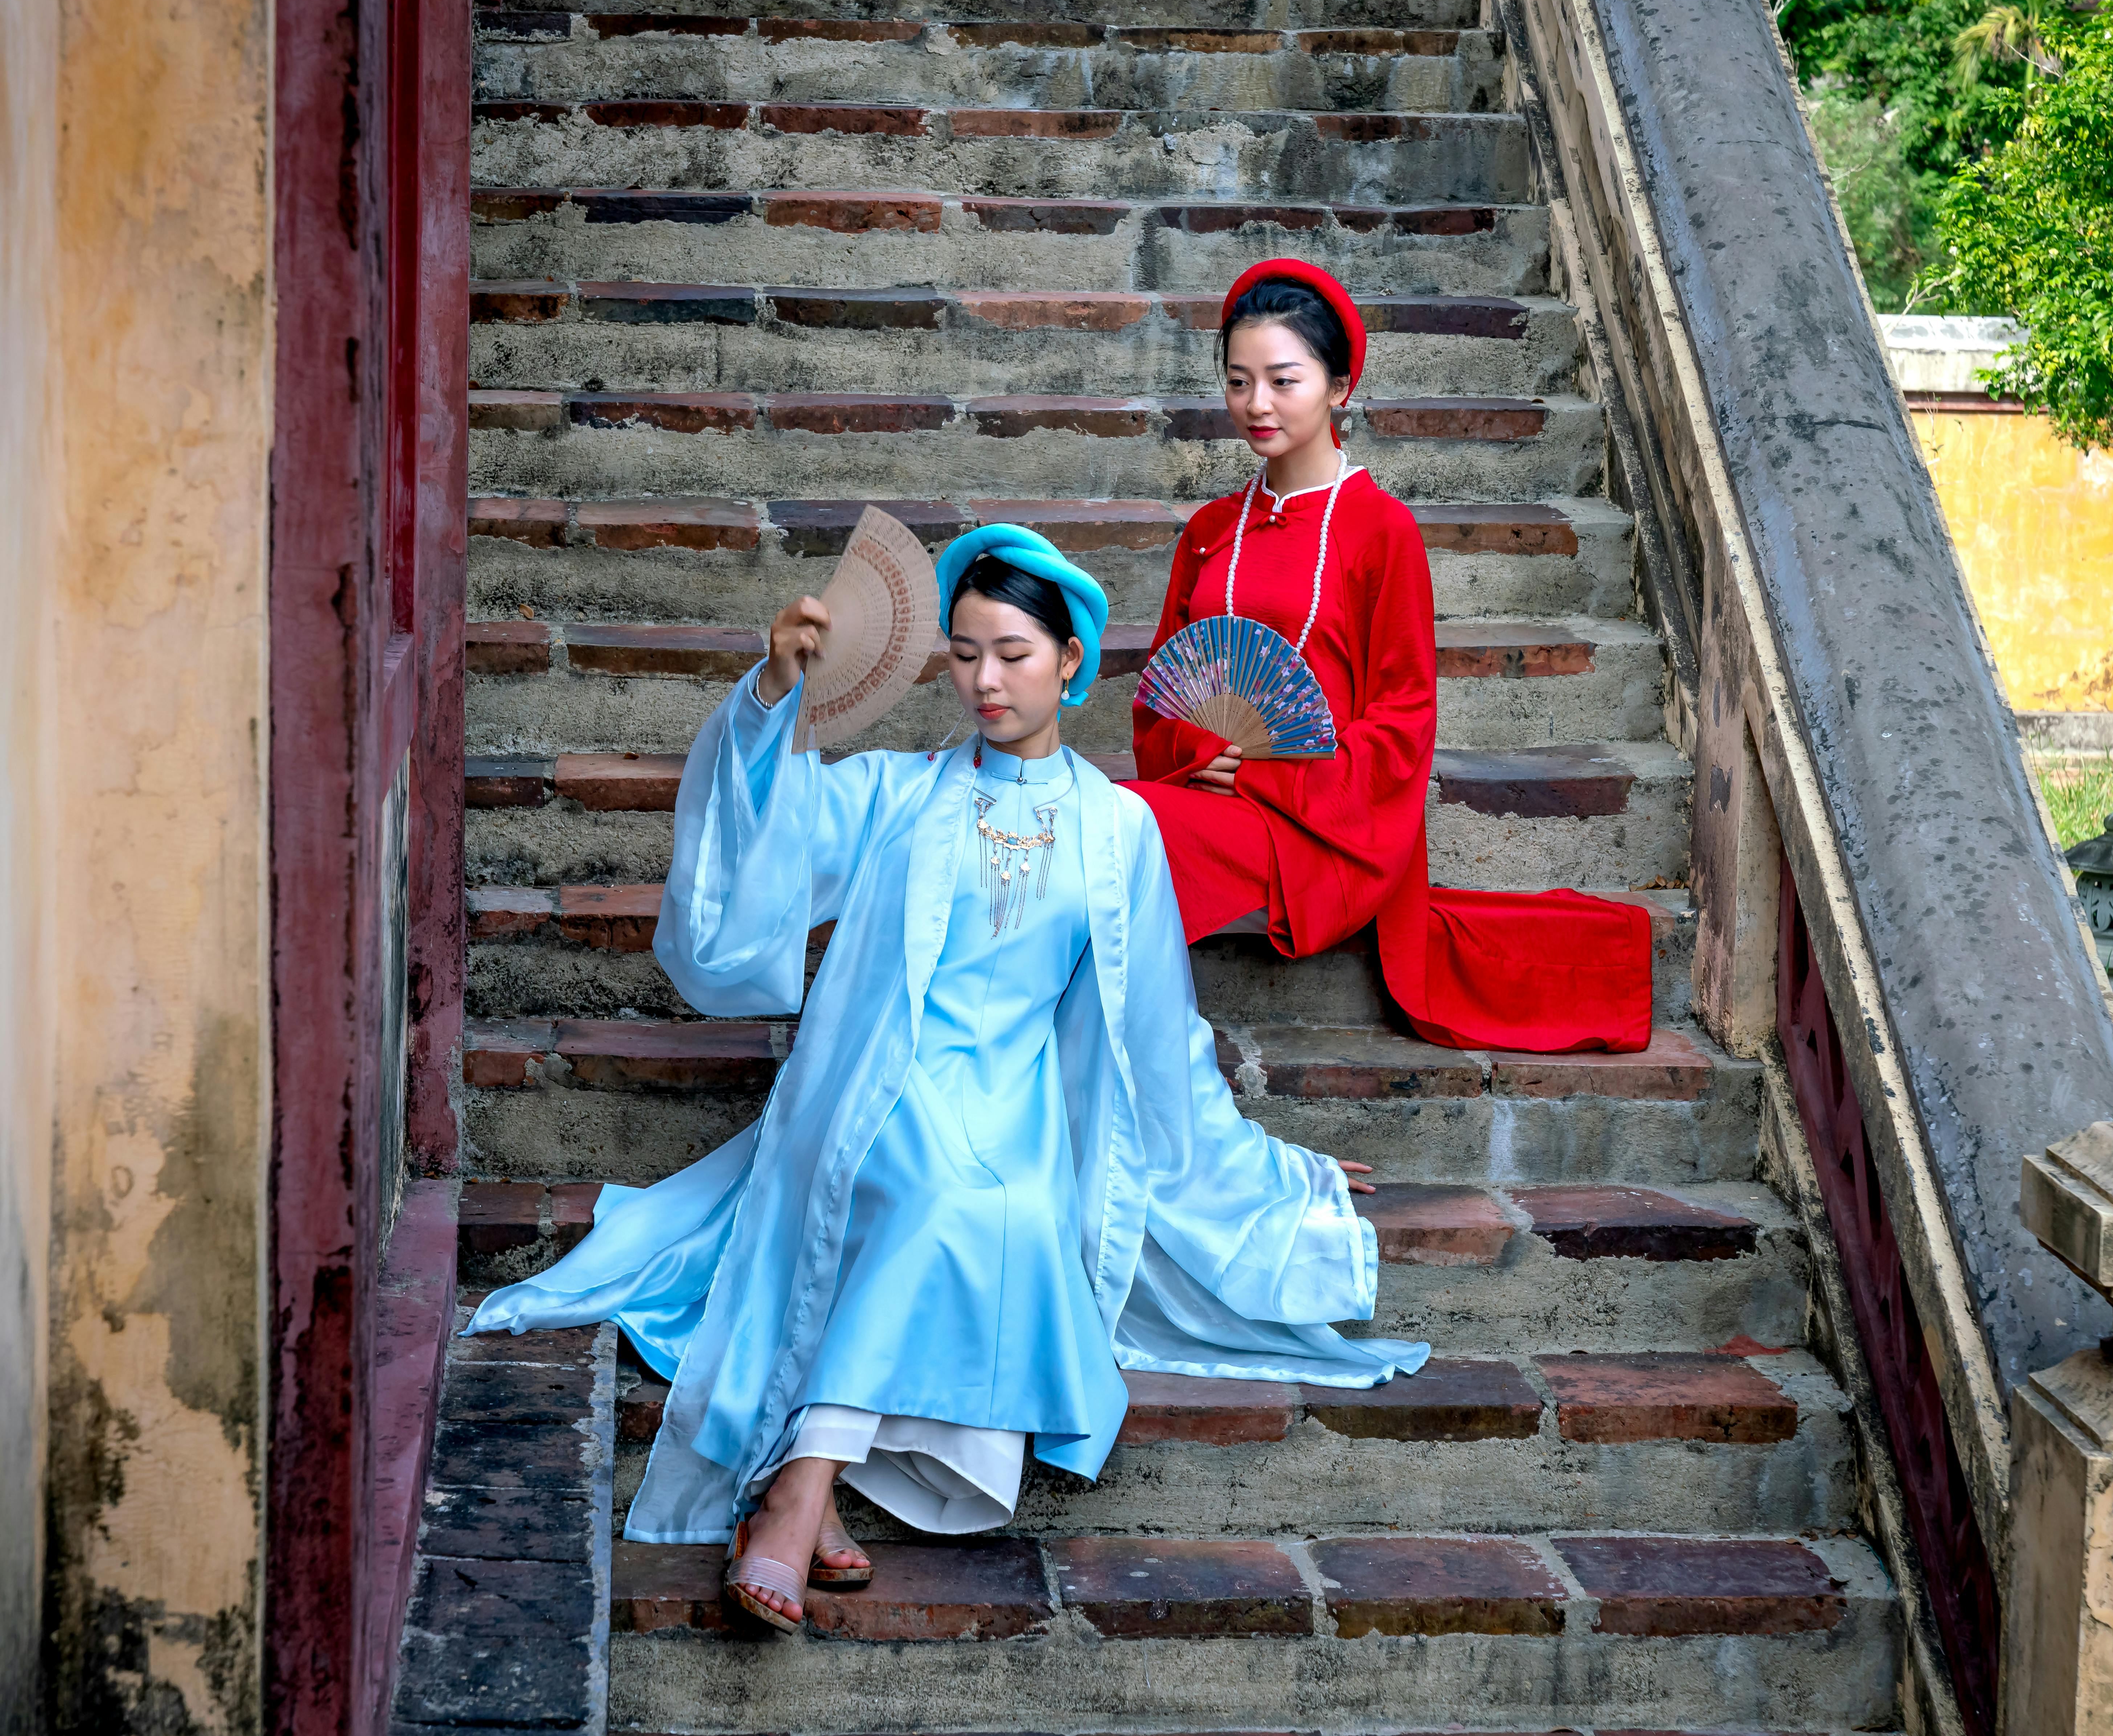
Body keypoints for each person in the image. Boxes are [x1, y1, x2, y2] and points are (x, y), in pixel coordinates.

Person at [459, 523, 1427, 1634]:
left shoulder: (1121, 830)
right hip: (877, 1086)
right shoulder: (898, 793)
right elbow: (764, 836)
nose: (985, 678)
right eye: (964, 652)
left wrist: (1267, 1170)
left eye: (1014, 652)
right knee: (933, 1194)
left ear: (1073, 660)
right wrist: (774, 691)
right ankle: (800, 1495)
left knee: (1002, 1203)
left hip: (1015, 1111)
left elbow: (1157, 1039)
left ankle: (795, 1484)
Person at [1124, 259, 1654, 1053]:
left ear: (1339, 386)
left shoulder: (1380, 530)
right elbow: (1160, 701)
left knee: (1116, 826)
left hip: (1316, 830)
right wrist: (1205, 750)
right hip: (1209, 798)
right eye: (1238, 381)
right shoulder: (1210, 530)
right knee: (1092, 818)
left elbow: (1403, 726)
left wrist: (1272, 770)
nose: (1256, 404)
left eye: (1282, 379)